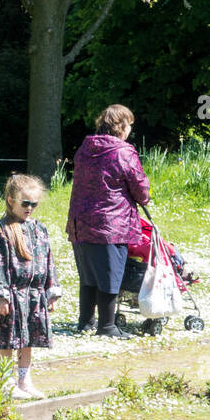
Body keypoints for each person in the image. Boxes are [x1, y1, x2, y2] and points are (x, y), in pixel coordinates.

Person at [65, 104, 150, 338]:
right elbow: (140, 187)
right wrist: (145, 196)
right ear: (121, 126)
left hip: (80, 222)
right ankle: (107, 326)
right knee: (110, 276)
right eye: (129, 124)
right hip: (111, 223)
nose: (130, 129)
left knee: (88, 275)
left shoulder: (85, 148)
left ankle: (85, 323)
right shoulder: (123, 151)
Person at [0, 174, 61, 399]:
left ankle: (25, 380)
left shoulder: (39, 229)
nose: (30, 208)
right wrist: (0, 296)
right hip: (12, 296)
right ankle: (6, 382)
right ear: (10, 200)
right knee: (8, 340)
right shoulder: (2, 232)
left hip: (34, 296)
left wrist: (51, 292)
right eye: (25, 203)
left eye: (34, 204)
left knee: (28, 340)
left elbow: (48, 261)